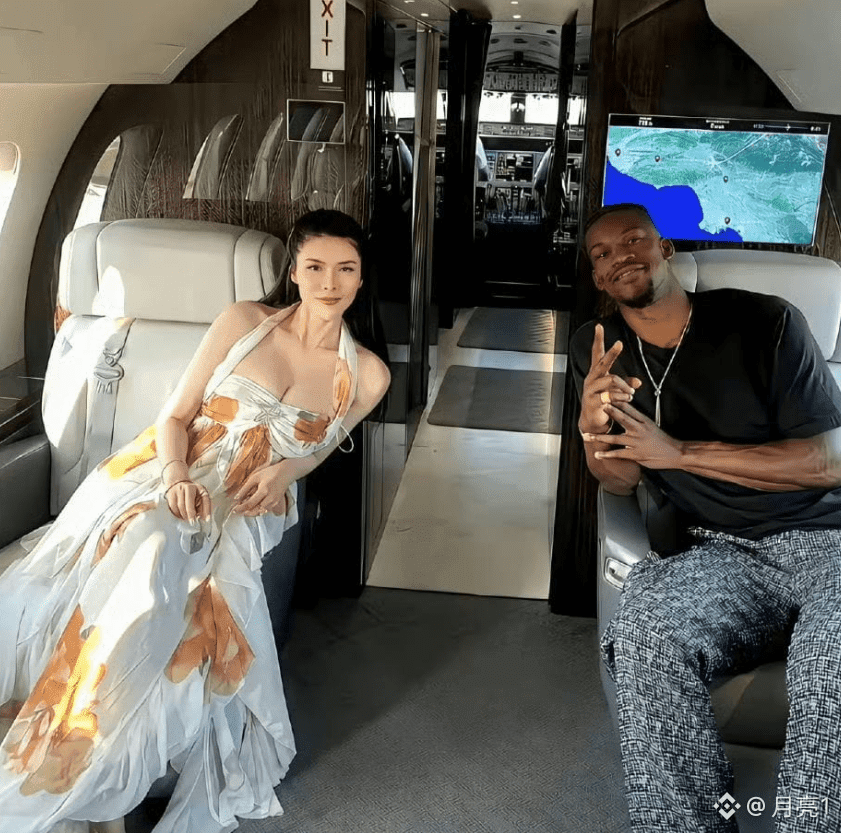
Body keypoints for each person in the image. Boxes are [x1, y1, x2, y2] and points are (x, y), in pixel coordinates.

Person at [0, 209, 391, 833]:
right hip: (172, 470)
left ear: (362, 277)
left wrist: (284, 475)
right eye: (315, 266)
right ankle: (88, 747)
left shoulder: (367, 373)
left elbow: (318, 451)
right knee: (151, 540)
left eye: (345, 269)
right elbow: (174, 417)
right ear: (293, 271)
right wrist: (177, 476)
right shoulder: (243, 321)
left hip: (255, 497)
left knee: (179, 566)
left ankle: (93, 768)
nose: (329, 283)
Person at [569, 202, 841, 832]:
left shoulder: (766, 322)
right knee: (645, 634)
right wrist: (591, 431)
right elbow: (619, 480)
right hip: (718, 552)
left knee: (830, 659)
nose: (620, 258)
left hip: (826, 539)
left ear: (666, 249)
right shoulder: (598, 346)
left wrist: (681, 453)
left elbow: (829, 463)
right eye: (602, 255)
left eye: (634, 240)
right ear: (598, 279)